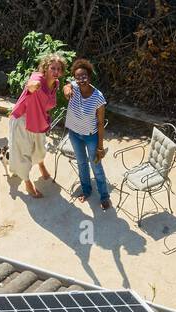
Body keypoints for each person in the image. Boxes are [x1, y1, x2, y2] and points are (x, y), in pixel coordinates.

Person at [8, 52, 65, 198]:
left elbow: (47, 103)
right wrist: (32, 86)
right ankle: (27, 182)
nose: (56, 72)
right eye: (53, 68)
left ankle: (40, 164)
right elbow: (31, 84)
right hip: (23, 119)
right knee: (23, 152)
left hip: (39, 120)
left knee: (40, 147)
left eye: (59, 69)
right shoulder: (38, 79)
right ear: (45, 68)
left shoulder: (56, 84)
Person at [63, 58, 111, 210]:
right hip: (74, 134)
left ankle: (104, 196)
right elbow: (67, 86)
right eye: (78, 77)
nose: (81, 80)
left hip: (91, 136)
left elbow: (100, 123)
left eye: (84, 76)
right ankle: (86, 190)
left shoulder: (98, 97)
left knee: (96, 166)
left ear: (89, 77)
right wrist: (67, 88)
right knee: (82, 163)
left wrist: (100, 147)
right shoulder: (74, 87)